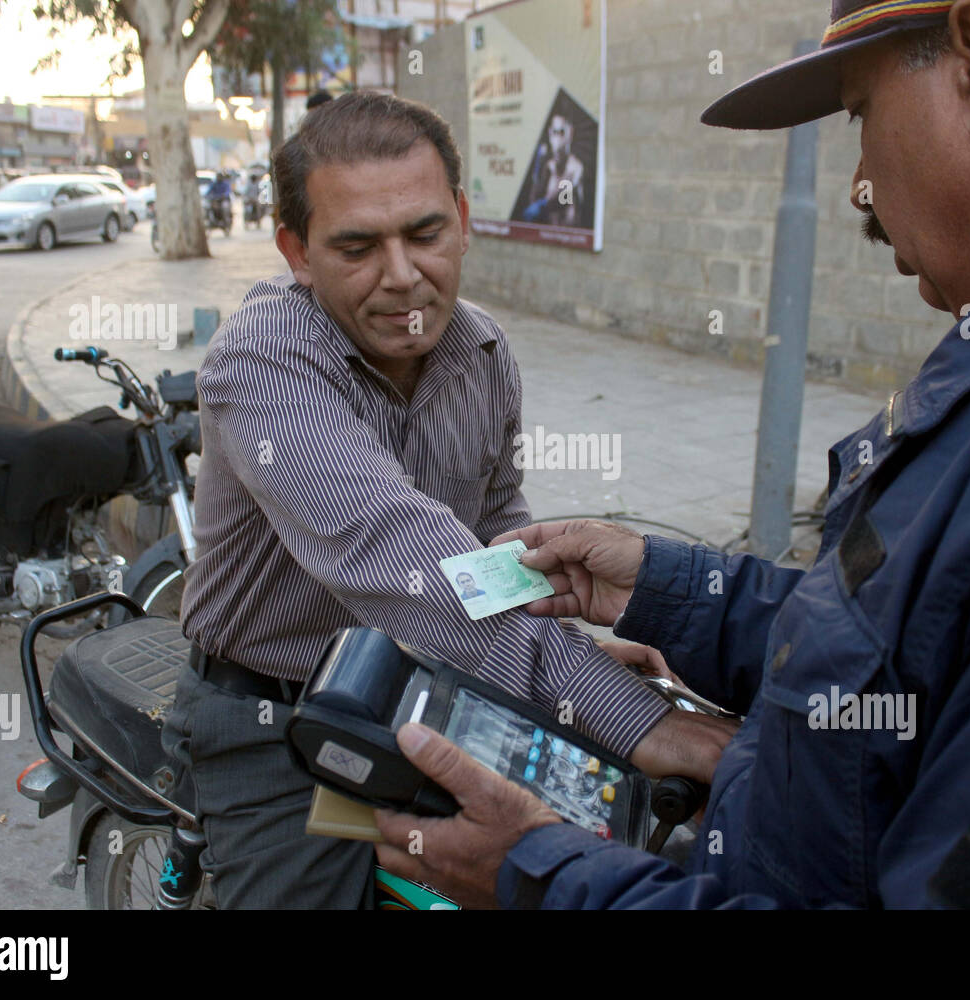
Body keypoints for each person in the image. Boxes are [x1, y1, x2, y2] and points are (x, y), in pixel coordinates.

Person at [371, 0, 970, 908]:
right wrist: (669, 590)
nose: (860, 181)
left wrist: (543, 876)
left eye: (860, 111)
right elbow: (927, 648)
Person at [165, 91, 731, 909]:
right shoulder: (260, 360)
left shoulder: (484, 348)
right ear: (296, 249)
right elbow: (401, 555)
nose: (403, 277)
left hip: (437, 688)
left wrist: (564, 653)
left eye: (425, 234)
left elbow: (497, 526)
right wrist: (641, 723)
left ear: (462, 219)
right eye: (357, 247)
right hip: (271, 720)